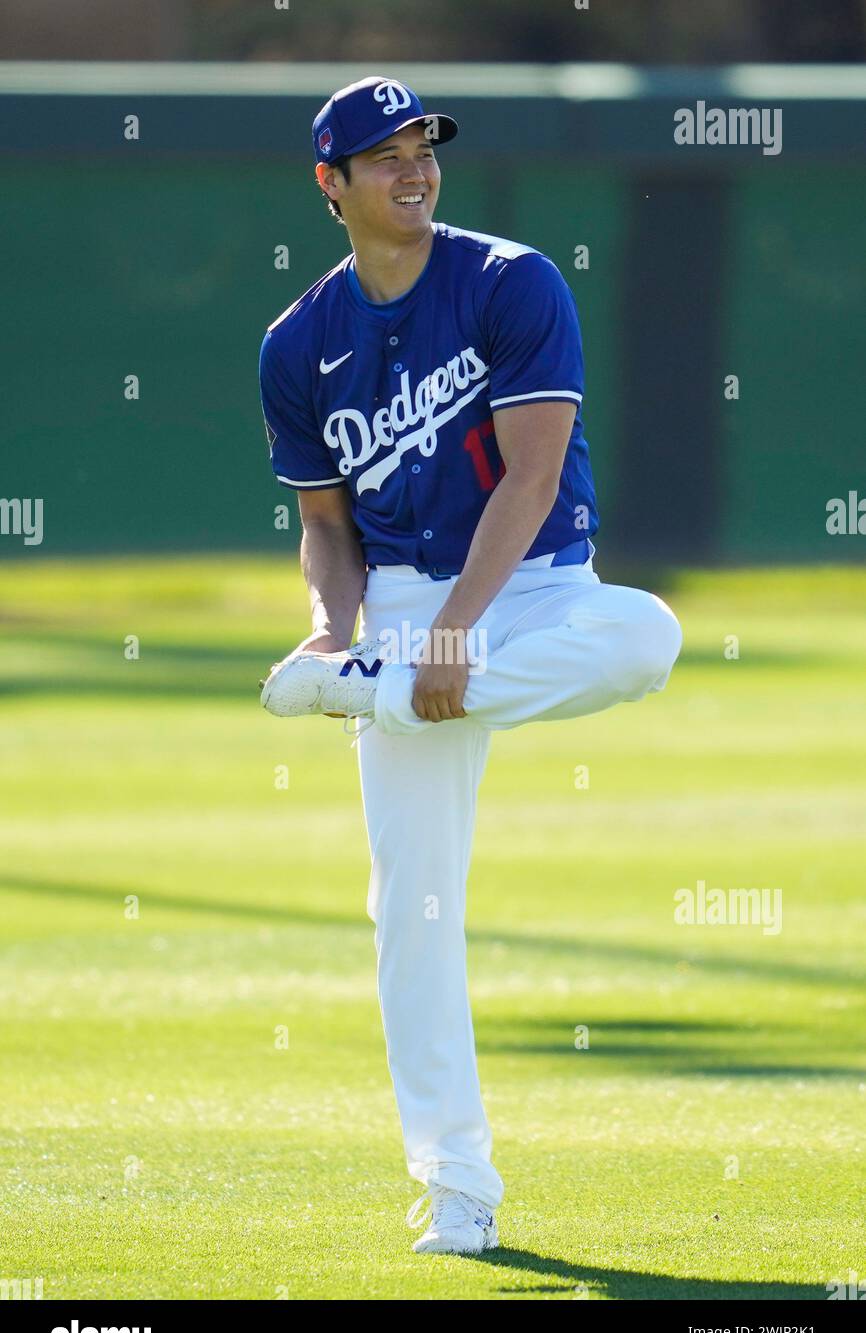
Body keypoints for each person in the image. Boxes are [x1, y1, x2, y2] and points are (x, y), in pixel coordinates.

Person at [258, 75, 682, 1256]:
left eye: (422, 149)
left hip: (534, 576)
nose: (414, 170)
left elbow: (534, 477)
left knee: (647, 637)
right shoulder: (298, 343)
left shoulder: (509, 280)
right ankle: (456, 1181)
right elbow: (328, 526)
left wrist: (441, 649)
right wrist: (336, 631)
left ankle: (382, 698)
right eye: (382, 156)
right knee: (413, 906)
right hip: (393, 600)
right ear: (329, 184)